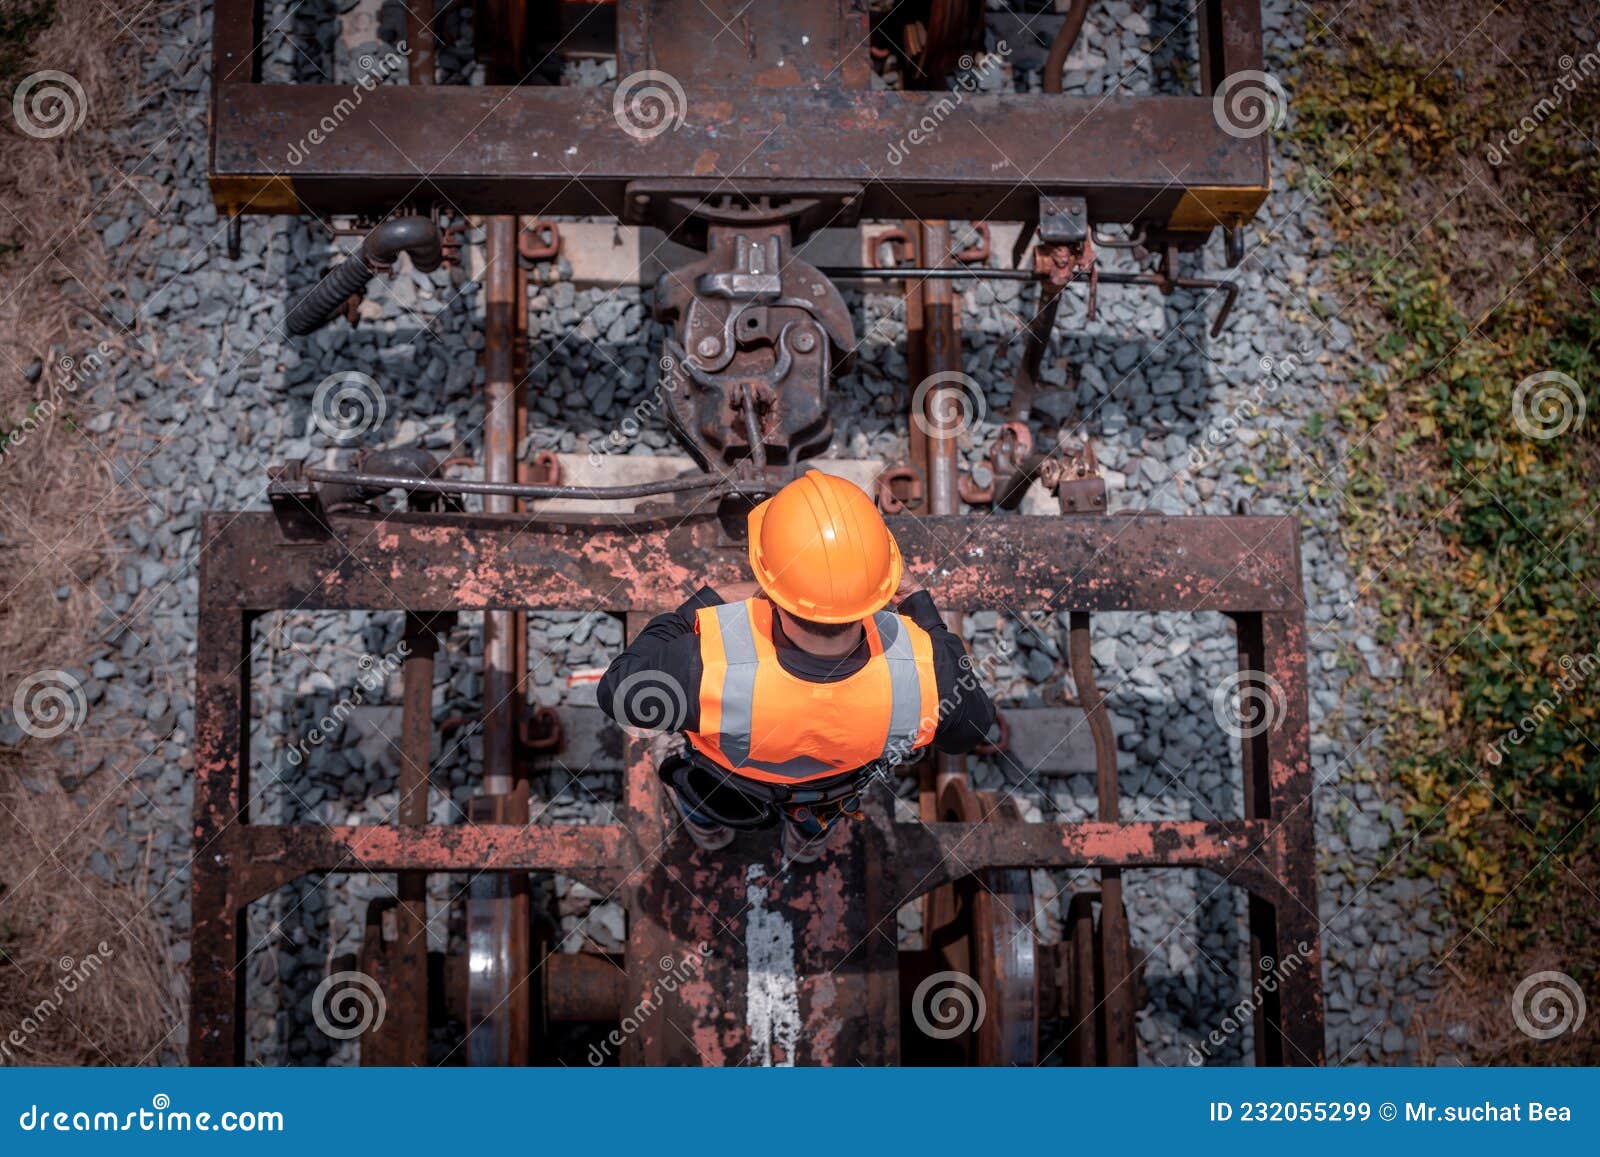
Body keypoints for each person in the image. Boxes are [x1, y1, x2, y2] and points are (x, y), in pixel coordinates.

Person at [597, 469, 995, 863]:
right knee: (823, 809)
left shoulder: (705, 665)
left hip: (726, 784)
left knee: (677, 755)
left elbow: (617, 690)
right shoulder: (929, 673)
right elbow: (970, 728)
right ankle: (806, 843)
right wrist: (920, 607)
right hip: (830, 789)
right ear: (883, 584)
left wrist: (699, 606)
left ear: (768, 582)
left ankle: (709, 829)